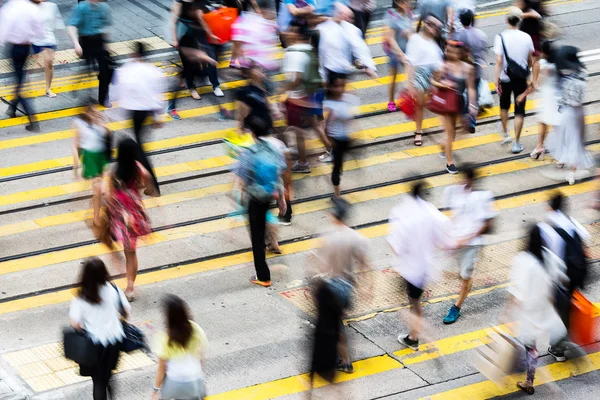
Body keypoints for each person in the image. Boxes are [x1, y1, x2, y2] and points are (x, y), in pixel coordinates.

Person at [309, 198, 370, 382]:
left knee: (335, 326)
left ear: (334, 216)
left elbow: (321, 267)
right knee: (338, 322)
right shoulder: (356, 237)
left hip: (333, 288)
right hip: (348, 288)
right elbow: (365, 265)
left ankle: (345, 361)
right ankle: (341, 357)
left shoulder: (329, 238)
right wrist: (367, 288)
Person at [502, 225, 567, 395]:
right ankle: (531, 380)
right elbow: (560, 277)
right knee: (534, 346)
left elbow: (516, 292)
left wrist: (506, 314)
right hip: (545, 310)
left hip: (529, 313)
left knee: (531, 348)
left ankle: (545, 386)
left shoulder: (524, 260)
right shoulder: (548, 256)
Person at [388, 182, 453, 350]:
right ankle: (414, 335)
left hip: (411, 269)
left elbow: (398, 248)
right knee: (414, 302)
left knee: (406, 303)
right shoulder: (431, 210)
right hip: (426, 268)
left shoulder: (404, 214)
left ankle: (419, 334)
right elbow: (443, 236)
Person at [69, 258, 131, 400]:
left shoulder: (81, 297)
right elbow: (126, 311)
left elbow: (75, 324)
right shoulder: (113, 290)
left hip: (94, 344)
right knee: (108, 374)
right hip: (114, 341)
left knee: (98, 381)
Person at [539, 193, 590, 362]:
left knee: (557, 311)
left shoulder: (549, 227)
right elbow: (585, 240)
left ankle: (558, 348)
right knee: (566, 308)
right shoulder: (571, 222)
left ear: (550, 207)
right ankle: (566, 338)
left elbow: (546, 255)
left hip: (560, 277)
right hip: (575, 273)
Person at [442, 165, 496, 325]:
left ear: (471, 180)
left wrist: (466, 239)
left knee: (465, 277)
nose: (461, 182)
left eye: (464, 179)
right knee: (457, 274)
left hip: (471, 245)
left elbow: (487, 224)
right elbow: (455, 216)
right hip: (456, 243)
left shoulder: (483, 197)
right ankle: (467, 283)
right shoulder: (458, 195)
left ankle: (456, 307)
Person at [237, 116, 287, 287]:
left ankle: (263, 276)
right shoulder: (274, 149)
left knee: (257, 237)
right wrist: (282, 199)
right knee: (263, 225)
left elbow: (243, 179)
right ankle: (273, 244)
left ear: (252, 132)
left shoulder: (249, 152)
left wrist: (242, 197)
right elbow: (280, 173)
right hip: (269, 195)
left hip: (255, 197)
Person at [106, 139, 158, 301]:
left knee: (124, 250)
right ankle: (130, 287)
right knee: (131, 253)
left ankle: (127, 284)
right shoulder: (138, 169)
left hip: (120, 216)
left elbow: (108, 196)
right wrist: (143, 190)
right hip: (134, 216)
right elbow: (149, 185)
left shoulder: (113, 173)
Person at [112, 41, 166, 196]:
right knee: (139, 145)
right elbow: (159, 94)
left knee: (138, 148)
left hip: (134, 112)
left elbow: (117, 92)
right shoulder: (154, 70)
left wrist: (116, 114)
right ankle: (142, 181)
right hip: (147, 112)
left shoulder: (125, 70)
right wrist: (159, 115)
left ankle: (152, 186)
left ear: (134, 54)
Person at [279, 23, 325, 173]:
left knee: (297, 131)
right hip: (308, 93)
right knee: (314, 124)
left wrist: (283, 89)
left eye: (290, 30)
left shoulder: (292, 53)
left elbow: (296, 79)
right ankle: (331, 149)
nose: (286, 32)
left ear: (297, 35)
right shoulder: (308, 48)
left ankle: (303, 162)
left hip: (297, 97)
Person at [431, 40, 477, 175]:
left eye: (453, 52)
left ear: (460, 53)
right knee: (450, 133)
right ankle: (450, 162)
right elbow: (433, 81)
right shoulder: (444, 66)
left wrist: (473, 105)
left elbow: (471, 88)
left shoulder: (468, 68)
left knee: (463, 131)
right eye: (448, 51)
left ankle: (444, 145)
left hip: (460, 101)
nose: (450, 54)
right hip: (447, 102)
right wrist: (442, 85)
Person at [550, 45, 594, 185]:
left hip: (566, 112)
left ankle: (567, 166)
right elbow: (577, 104)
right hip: (572, 113)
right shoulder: (580, 75)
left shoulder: (565, 75)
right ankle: (571, 172)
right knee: (574, 142)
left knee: (568, 140)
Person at [494, 7, 534, 154]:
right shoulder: (526, 37)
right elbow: (530, 59)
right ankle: (516, 143)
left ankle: (505, 133)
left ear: (506, 20)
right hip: (521, 78)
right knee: (519, 111)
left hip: (505, 77)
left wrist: (496, 79)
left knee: (504, 106)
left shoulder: (500, 37)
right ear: (520, 20)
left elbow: (499, 61)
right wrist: (526, 71)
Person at [152, 295, 208, 400]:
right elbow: (201, 359)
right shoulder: (196, 330)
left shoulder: (165, 336)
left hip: (174, 384)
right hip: (194, 381)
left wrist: (155, 390)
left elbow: (161, 368)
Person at [0, 0, 44, 132]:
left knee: (19, 83)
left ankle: (32, 119)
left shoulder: (11, 6)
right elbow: (39, 31)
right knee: (19, 78)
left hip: (14, 48)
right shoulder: (32, 8)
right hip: (26, 48)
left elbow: (4, 29)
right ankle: (12, 108)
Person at [168, 0, 223, 102]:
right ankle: (192, 88)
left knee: (204, 59)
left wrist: (210, 33)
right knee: (188, 64)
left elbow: (202, 18)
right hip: (184, 34)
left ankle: (214, 84)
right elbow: (173, 21)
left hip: (198, 33)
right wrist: (174, 39)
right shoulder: (180, 2)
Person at [405, 13, 444, 147]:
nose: (434, 28)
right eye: (431, 24)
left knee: (439, 106)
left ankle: (445, 133)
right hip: (420, 74)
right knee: (420, 105)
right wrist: (409, 83)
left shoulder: (436, 42)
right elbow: (409, 62)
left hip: (435, 75)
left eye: (437, 26)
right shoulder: (415, 39)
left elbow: (440, 62)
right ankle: (418, 132)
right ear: (425, 24)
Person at [516, 40, 559, 161]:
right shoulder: (558, 63)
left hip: (547, 98)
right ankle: (543, 147)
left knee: (545, 122)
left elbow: (534, 84)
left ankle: (542, 147)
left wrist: (523, 95)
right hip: (558, 97)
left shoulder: (542, 64)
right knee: (553, 123)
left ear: (543, 52)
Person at [68, 0, 114, 108]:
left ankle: (103, 99)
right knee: (88, 70)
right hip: (85, 41)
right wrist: (76, 44)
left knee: (105, 71)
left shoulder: (104, 7)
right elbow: (72, 26)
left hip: (99, 40)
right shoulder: (81, 7)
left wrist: (107, 43)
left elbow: (107, 26)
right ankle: (86, 96)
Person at [72, 103, 111, 227]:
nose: (97, 114)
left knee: (100, 188)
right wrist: (76, 164)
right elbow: (75, 144)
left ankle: (95, 211)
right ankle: (95, 217)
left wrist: (100, 122)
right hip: (90, 158)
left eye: (97, 112)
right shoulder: (79, 124)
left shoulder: (99, 123)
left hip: (101, 156)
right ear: (86, 113)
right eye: (93, 112)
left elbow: (108, 136)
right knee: (98, 187)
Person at [315, 4, 377, 81]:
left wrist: (369, 66)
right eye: (348, 17)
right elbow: (321, 53)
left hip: (341, 69)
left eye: (351, 18)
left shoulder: (350, 28)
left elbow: (359, 46)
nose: (350, 20)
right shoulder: (323, 29)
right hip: (331, 69)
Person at [323, 73, 359, 199]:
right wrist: (329, 143)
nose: (340, 89)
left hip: (347, 138)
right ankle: (336, 193)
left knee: (345, 162)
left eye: (342, 86)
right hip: (337, 140)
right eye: (337, 86)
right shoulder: (330, 105)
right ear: (331, 88)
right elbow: (326, 127)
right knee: (337, 167)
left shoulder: (346, 99)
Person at [230, 0, 280, 72]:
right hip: (255, 62)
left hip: (256, 62)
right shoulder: (249, 21)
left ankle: (235, 62)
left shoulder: (268, 24)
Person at [383, 0, 413, 112]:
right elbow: (390, 38)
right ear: (398, 2)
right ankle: (391, 101)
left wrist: (409, 33)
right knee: (393, 77)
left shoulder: (409, 13)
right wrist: (400, 54)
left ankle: (409, 100)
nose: (409, 3)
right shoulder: (391, 15)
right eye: (405, 1)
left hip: (407, 51)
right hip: (394, 53)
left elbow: (411, 31)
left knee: (410, 77)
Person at [32, 0, 64, 98]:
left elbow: (58, 24)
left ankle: (48, 89)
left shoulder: (52, 6)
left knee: (49, 63)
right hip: (36, 40)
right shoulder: (31, 6)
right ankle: (29, 81)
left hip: (50, 39)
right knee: (42, 63)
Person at [451, 10, 488, 97]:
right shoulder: (481, 34)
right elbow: (484, 51)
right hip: (477, 69)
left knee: (460, 95)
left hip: (463, 70)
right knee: (474, 93)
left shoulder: (459, 35)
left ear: (460, 20)